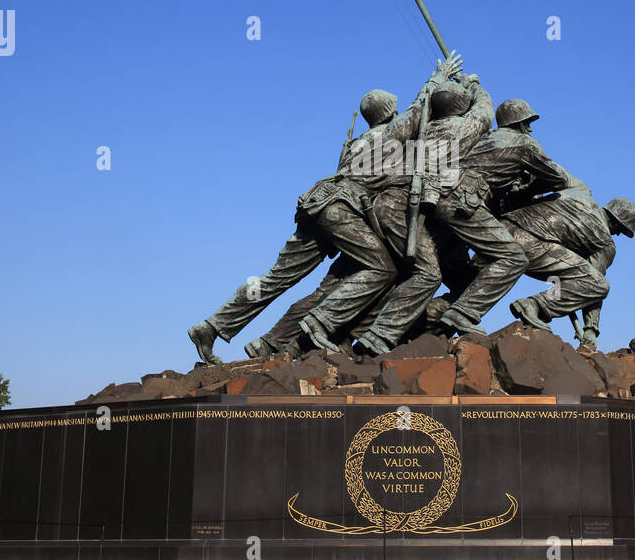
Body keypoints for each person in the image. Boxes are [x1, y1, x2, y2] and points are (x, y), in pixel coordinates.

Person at [187, 58, 460, 365]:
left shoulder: (358, 142)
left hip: (317, 204)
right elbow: (417, 113)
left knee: (278, 278)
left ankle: (213, 326)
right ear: (390, 113)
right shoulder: (385, 136)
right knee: (384, 269)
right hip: (340, 211)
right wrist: (437, 79)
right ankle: (321, 323)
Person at [427, 97, 569, 335]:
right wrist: (525, 188)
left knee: (462, 274)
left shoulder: (485, 139)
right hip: (464, 201)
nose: (530, 129)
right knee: (514, 259)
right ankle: (461, 314)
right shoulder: (524, 144)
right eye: (527, 123)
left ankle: (426, 322)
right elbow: (559, 179)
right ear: (519, 123)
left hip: (439, 197)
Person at [500, 171, 635, 350]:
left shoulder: (578, 192)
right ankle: (534, 305)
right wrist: (591, 328)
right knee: (598, 284)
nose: (618, 234)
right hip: (531, 245)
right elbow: (592, 284)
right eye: (621, 230)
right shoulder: (605, 241)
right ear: (617, 224)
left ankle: (455, 303)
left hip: (501, 229)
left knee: (563, 276)